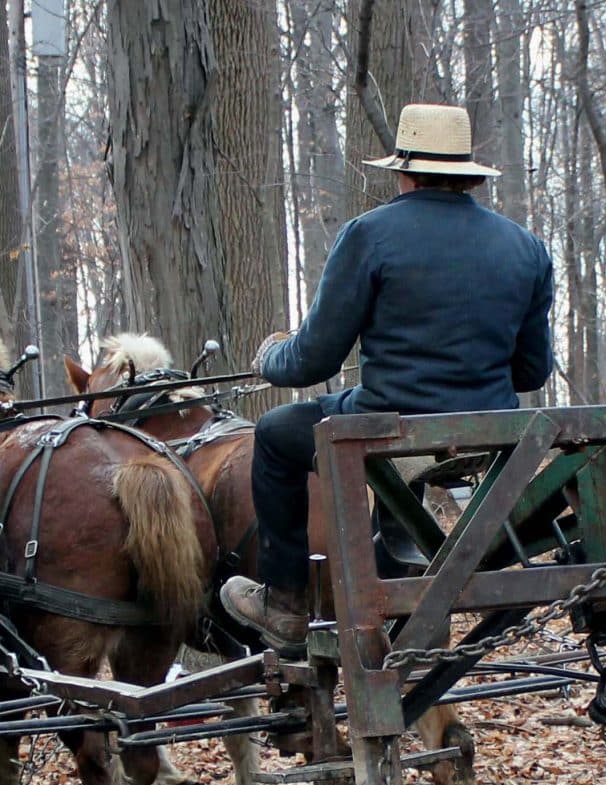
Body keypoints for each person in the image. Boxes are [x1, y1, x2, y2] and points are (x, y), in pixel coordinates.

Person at [220, 103, 555, 649]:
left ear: (403, 170)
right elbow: (532, 370)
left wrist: (270, 358)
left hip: (388, 429)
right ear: (468, 175)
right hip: (487, 436)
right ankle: (396, 562)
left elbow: (313, 361)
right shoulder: (526, 248)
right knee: (358, 426)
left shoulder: (369, 235)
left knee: (276, 433)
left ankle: (283, 603)